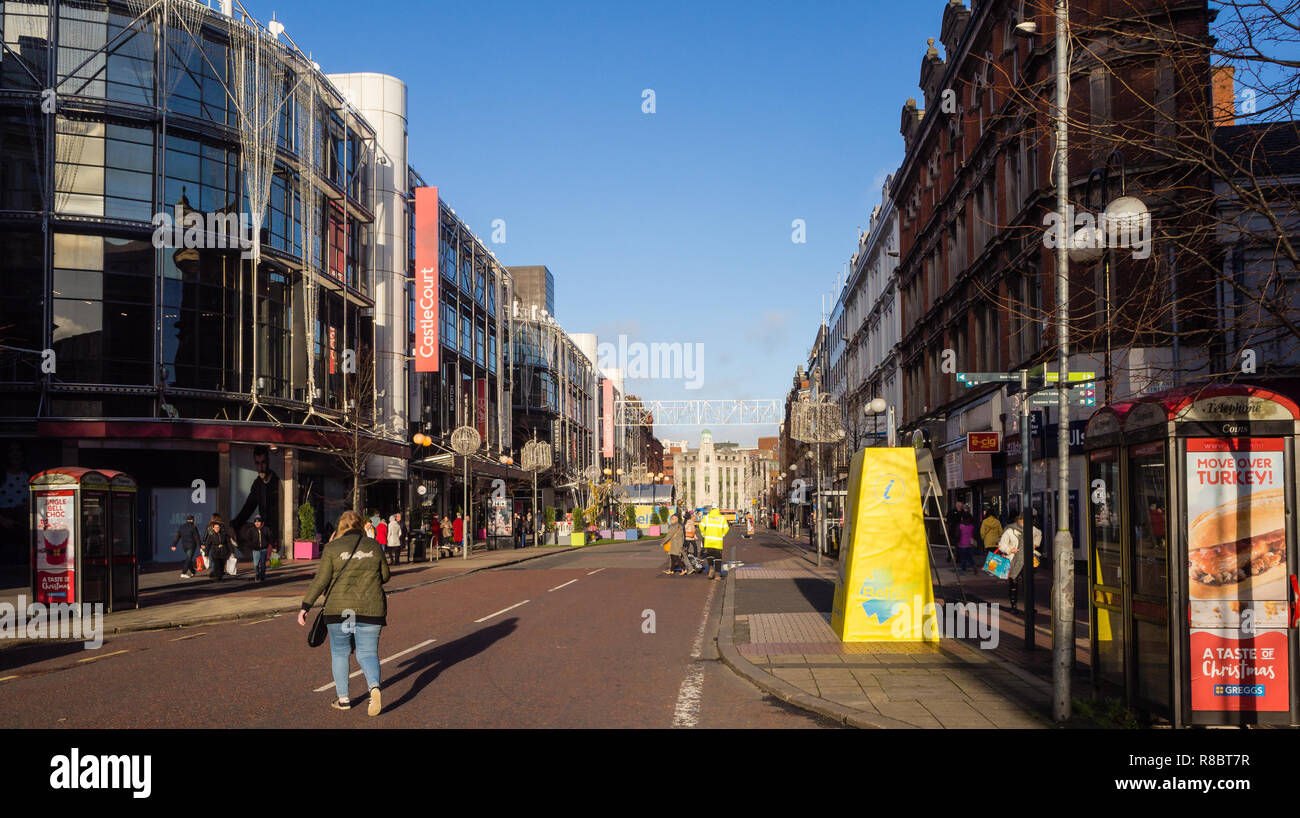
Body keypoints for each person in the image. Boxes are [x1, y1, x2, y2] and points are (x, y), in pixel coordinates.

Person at [297, 510, 390, 716]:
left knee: (340, 652)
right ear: (360, 526)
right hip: (370, 610)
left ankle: (343, 699)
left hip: (340, 611)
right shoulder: (373, 546)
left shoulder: (331, 548)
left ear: (340, 527)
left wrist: (305, 606)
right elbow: (385, 575)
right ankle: (374, 687)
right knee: (367, 653)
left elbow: (321, 580)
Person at [231, 445, 279, 552]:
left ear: (268, 461)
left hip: (276, 530)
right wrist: (234, 525)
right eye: (257, 463)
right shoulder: (257, 484)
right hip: (263, 528)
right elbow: (248, 507)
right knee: (243, 529)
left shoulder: (276, 482)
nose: (260, 467)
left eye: (263, 462)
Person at [998, 513, 1042, 612]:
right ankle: (1013, 605)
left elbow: (1039, 533)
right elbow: (1001, 545)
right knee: (1013, 583)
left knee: (1028, 584)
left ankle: (1029, 607)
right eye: (1023, 521)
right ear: (1019, 520)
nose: (1025, 523)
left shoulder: (1031, 529)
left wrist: (1035, 543)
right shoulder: (1010, 530)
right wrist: (1009, 550)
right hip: (1014, 561)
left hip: (1027, 561)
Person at [701, 507, 730, 580]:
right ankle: (717, 574)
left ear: (711, 510)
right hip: (718, 541)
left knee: (709, 555)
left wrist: (704, 534)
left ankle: (711, 568)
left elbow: (701, 526)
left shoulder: (707, 517)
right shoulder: (722, 518)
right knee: (718, 558)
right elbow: (726, 528)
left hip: (708, 541)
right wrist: (722, 534)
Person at [173, 514, 202, 578]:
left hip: (184, 546)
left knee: (189, 559)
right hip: (191, 546)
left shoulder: (181, 527)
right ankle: (183, 573)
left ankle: (193, 571)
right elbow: (197, 537)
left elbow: (177, 536)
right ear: (192, 520)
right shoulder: (194, 527)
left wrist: (174, 545)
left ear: (187, 520)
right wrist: (200, 546)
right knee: (189, 559)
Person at [249, 515, 273, 581]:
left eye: (259, 522)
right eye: (256, 522)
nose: (257, 523)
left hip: (264, 549)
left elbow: (270, 538)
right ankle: (257, 574)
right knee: (255, 564)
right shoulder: (251, 530)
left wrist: (271, 546)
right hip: (255, 550)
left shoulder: (266, 529)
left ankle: (262, 576)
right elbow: (249, 539)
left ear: (261, 522)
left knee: (263, 564)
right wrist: (251, 545)